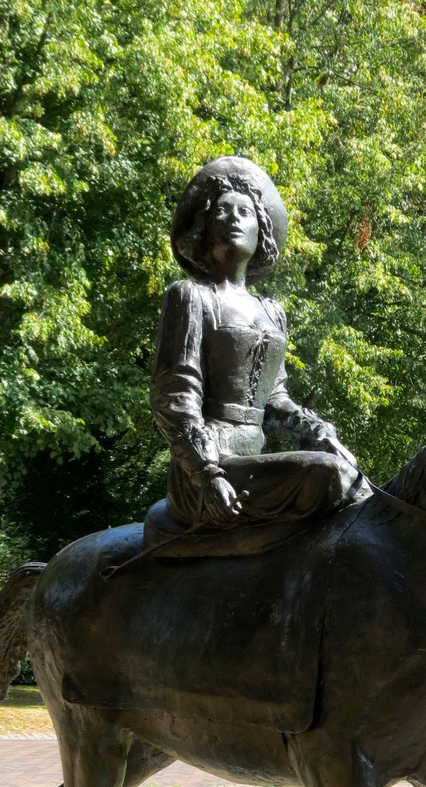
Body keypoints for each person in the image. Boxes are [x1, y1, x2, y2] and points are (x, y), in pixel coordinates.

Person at [147, 155, 366, 547]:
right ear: (205, 228)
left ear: (260, 229)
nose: (233, 218)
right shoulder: (190, 297)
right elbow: (174, 397)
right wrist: (206, 472)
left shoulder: (272, 313)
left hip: (255, 462)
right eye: (223, 211)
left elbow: (275, 402)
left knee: (345, 469)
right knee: (327, 475)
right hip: (204, 470)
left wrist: (319, 433)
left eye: (245, 211)